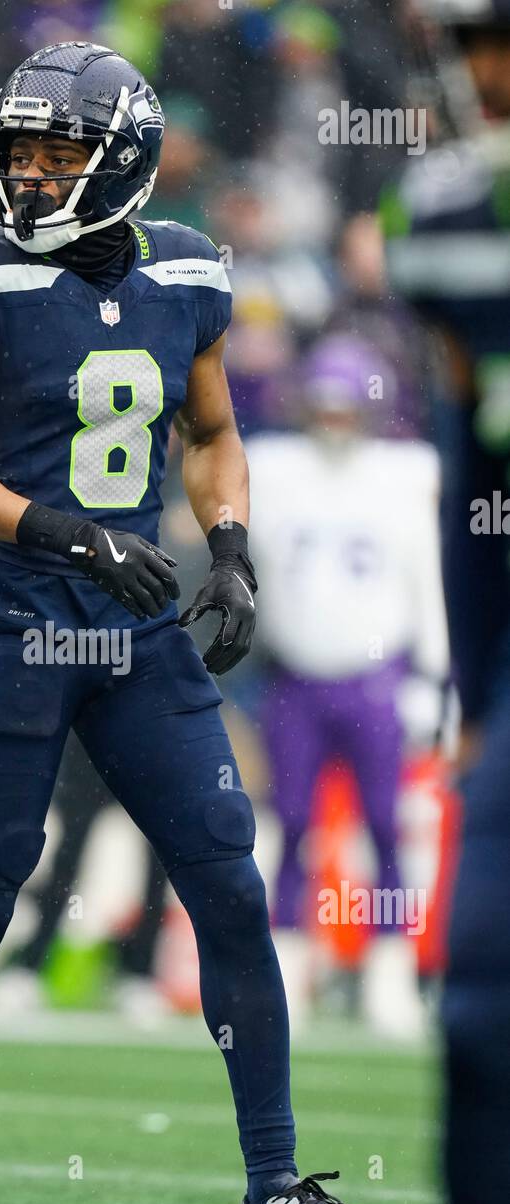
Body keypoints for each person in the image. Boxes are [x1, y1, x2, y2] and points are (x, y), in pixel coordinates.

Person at [0, 42, 391, 1204]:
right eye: (19, 153)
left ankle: (274, 1190)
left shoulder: (189, 267)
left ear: (125, 164)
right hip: (16, 623)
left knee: (229, 883)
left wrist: (231, 548)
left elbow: (211, 430)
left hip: (137, 633)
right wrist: (75, 537)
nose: (30, 177)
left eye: (58, 155)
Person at [383, 0, 510, 1204]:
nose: (487, 73)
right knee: (477, 1006)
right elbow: (473, 482)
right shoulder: (455, 218)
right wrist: (477, 694)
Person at [248, 335, 448, 1039]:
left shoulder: (403, 474)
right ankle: (288, 972)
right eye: (323, 406)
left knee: (386, 828)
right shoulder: (275, 466)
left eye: (345, 407)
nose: (333, 420)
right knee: (292, 823)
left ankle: (389, 975)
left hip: (376, 681)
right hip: (294, 678)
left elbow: (427, 577)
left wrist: (434, 676)